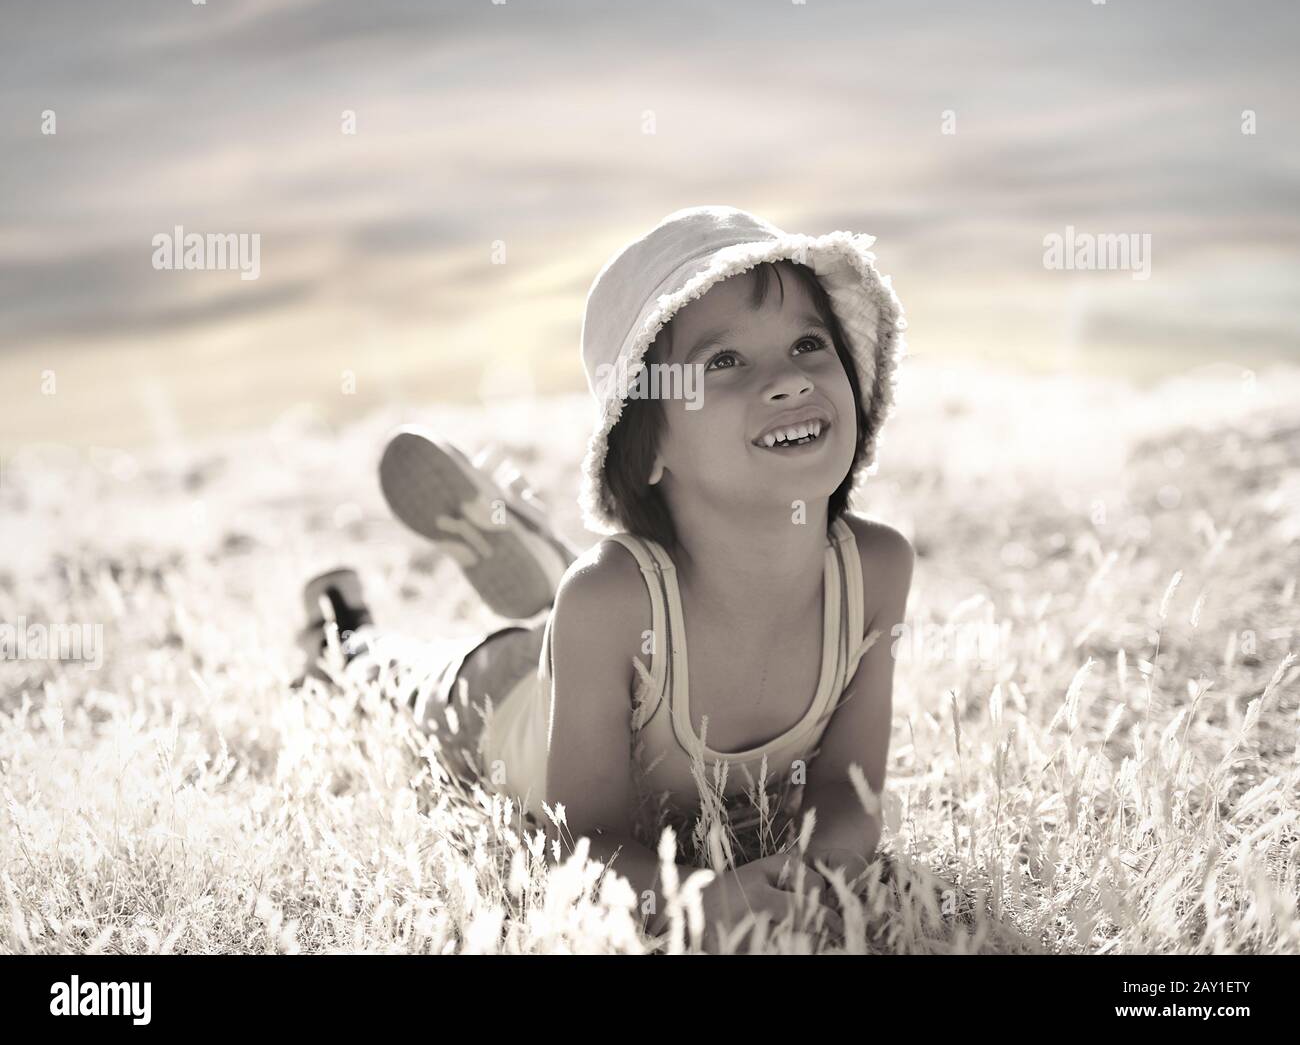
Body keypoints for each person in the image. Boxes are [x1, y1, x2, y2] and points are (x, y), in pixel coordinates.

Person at [294, 205, 914, 948]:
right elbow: (582, 847)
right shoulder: (611, 604)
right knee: (397, 681)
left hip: (604, 635)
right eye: (724, 361)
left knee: (589, 603)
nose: (787, 380)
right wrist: (703, 897)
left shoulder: (873, 570)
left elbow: (849, 788)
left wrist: (818, 873)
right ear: (648, 448)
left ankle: (542, 564)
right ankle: (343, 628)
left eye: (809, 343)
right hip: (506, 702)